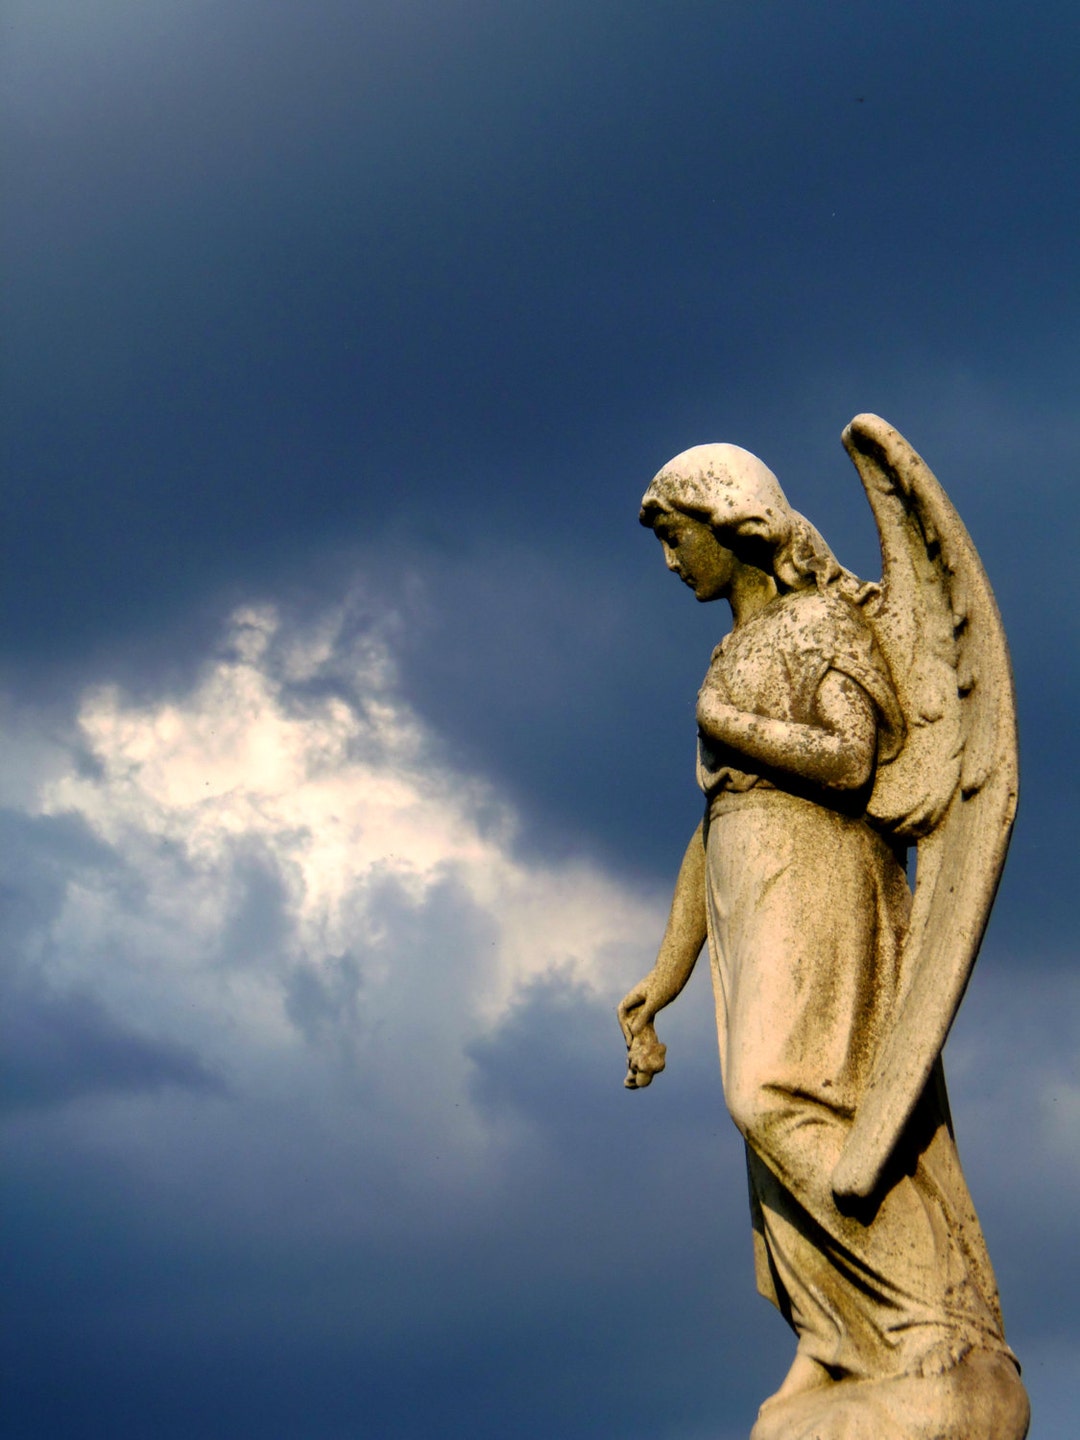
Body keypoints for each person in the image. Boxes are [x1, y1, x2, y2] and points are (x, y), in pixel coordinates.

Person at [617, 443, 1028, 1440]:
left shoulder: (820, 627)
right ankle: (838, 1335)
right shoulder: (732, 653)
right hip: (752, 890)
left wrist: (730, 722)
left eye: (678, 539)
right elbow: (715, 823)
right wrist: (663, 979)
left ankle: (926, 1319)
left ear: (731, 525)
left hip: (822, 886)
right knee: (770, 1132)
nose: (671, 564)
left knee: (780, 1098)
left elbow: (848, 763)